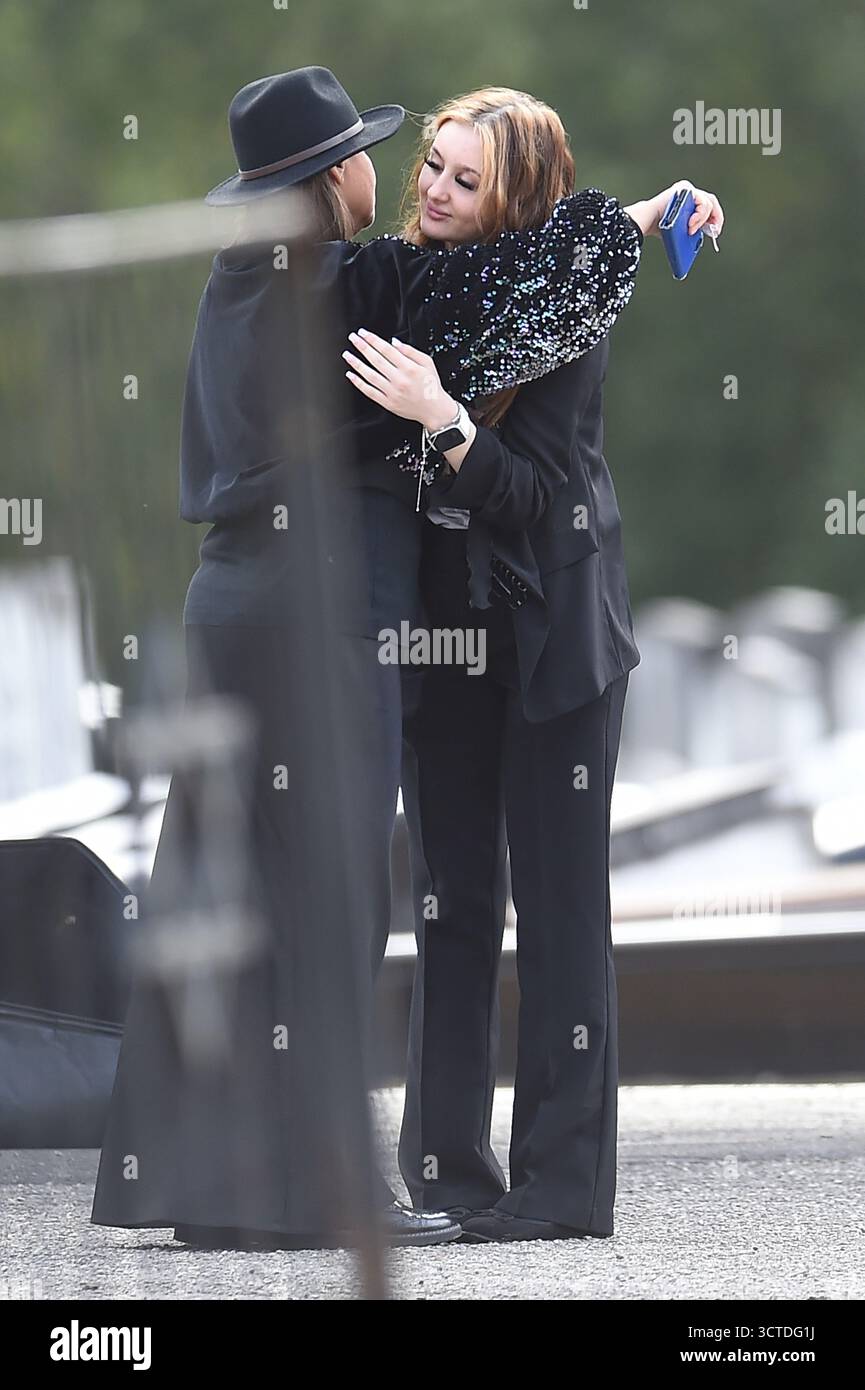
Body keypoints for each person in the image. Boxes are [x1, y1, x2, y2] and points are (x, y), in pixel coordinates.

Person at [90, 66, 697, 1252]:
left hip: (371, 622)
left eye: (460, 176)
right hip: (321, 622)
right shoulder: (349, 281)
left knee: (247, 895)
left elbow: (514, 304)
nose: (411, 178)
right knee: (344, 896)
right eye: (406, 158)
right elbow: (493, 286)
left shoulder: (266, 272)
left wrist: (640, 217)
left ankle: (231, 1184)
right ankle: (332, 1184)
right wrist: (638, 217)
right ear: (335, 179)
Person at [343, 88, 724, 1242]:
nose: (439, 192)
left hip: (553, 631)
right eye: (435, 169)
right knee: (453, 901)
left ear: (512, 194)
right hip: (448, 636)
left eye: (468, 179)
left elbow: (534, 496)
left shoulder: (563, 315)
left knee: (561, 910)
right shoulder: (415, 284)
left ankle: (562, 1187)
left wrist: (444, 419)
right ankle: (449, 1168)